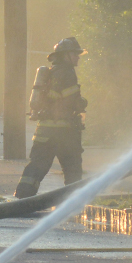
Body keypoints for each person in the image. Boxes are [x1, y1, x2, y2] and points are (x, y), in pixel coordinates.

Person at [11, 38, 89, 200]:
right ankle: (73, 203)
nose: (78, 57)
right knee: (72, 169)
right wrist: (81, 102)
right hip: (64, 133)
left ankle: (22, 199)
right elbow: (71, 100)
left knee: (37, 167)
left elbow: (52, 98)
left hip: (45, 132)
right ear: (66, 55)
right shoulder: (67, 73)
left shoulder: (52, 72)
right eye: (75, 54)